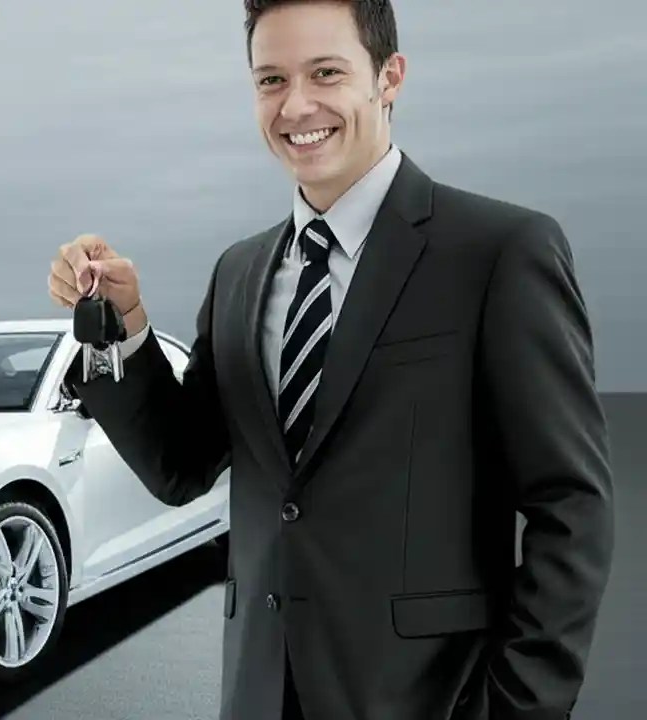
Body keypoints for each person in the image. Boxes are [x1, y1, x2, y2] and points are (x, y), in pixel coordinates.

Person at [47, 1, 615, 718]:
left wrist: (521, 707)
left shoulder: (500, 252)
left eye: (325, 73)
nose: (297, 105)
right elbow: (181, 465)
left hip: (428, 697)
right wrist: (125, 329)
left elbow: (572, 507)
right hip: (258, 690)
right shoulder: (240, 273)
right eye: (271, 80)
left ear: (390, 77)